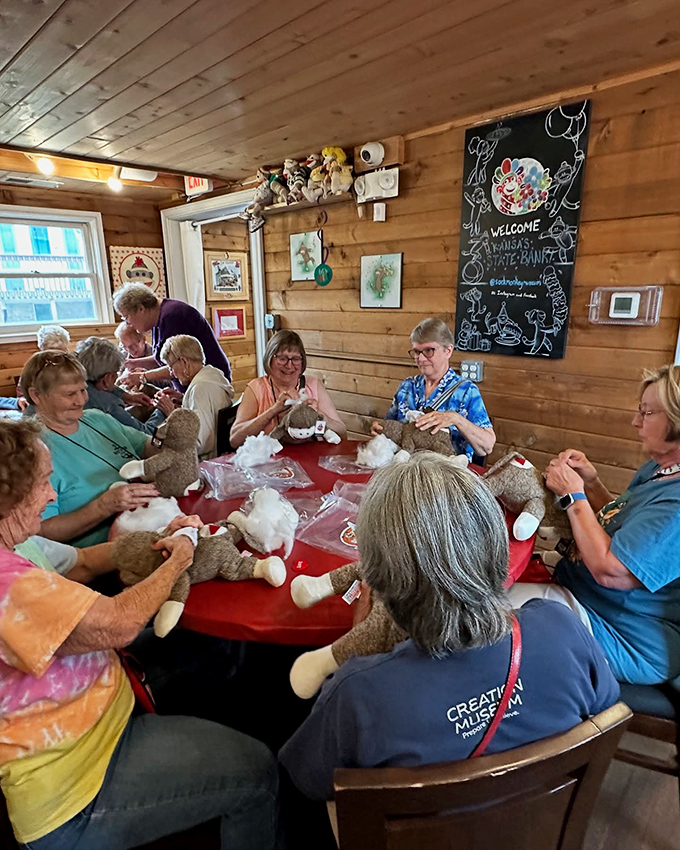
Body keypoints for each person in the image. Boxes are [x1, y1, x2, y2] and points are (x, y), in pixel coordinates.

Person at [0, 419, 280, 850]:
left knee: (211, 645)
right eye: (42, 484)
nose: (53, 494)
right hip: (79, 780)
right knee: (260, 770)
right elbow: (119, 623)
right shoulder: (7, 585)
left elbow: (83, 562)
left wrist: (160, 539)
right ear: (7, 497)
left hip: (112, 694)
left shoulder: (17, 541)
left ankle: (205, 756)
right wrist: (178, 559)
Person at [279, 452, 619, 801]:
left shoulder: (357, 694)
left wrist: (362, 644)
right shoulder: (562, 627)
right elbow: (607, 711)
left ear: (379, 581)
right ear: (496, 550)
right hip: (543, 824)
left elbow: (307, 783)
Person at [509, 365, 680, 686]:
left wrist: (574, 495)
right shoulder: (660, 468)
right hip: (587, 593)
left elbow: (611, 571)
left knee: (482, 612)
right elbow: (620, 523)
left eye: (646, 413)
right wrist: (591, 483)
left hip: (627, 635)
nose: (636, 421)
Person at [21, 351, 161, 547]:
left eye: (83, 390)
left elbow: (147, 447)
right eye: (70, 394)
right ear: (36, 395)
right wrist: (104, 506)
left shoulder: (97, 418)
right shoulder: (30, 451)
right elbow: (42, 531)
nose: (81, 400)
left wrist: (170, 439)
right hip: (101, 558)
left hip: (154, 525)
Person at [371, 317, 495, 461]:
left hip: (446, 475)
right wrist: (380, 429)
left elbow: (487, 446)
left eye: (429, 350)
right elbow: (392, 429)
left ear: (448, 350)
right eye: (417, 352)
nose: (421, 359)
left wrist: (456, 419)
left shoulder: (466, 391)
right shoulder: (406, 387)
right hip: (403, 471)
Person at [230, 330, 346, 448]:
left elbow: (342, 433)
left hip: (310, 458)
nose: (289, 365)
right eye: (282, 358)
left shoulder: (314, 385)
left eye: (295, 359)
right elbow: (235, 439)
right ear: (270, 359)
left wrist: (318, 414)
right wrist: (273, 410)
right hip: (268, 460)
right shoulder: (256, 388)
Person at [113, 284, 232, 392]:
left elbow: (179, 366)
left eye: (126, 317)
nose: (128, 323)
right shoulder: (156, 319)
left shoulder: (172, 317)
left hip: (209, 385)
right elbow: (162, 359)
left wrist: (142, 377)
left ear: (141, 309)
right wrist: (131, 363)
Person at [157, 334, 234, 460]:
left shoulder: (199, 389)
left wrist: (171, 412)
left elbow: (199, 444)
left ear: (184, 362)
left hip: (205, 464)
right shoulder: (213, 376)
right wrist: (183, 398)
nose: (171, 373)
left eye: (171, 367)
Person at [75, 336, 166, 435]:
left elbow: (99, 383)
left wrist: (125, 395)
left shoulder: (76, 383)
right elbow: (145, 433)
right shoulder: (110, 405)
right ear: (107, 378)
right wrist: (162, 410)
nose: (117, 376)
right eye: (116, 373)